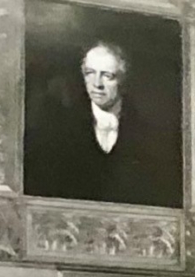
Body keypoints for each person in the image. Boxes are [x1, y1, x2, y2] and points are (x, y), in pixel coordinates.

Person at [24, 40, 181, 207]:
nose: (97, 84)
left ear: (123, 80)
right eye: (90, 73)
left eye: (107, 76)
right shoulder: (58, 131)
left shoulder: (151, 138)